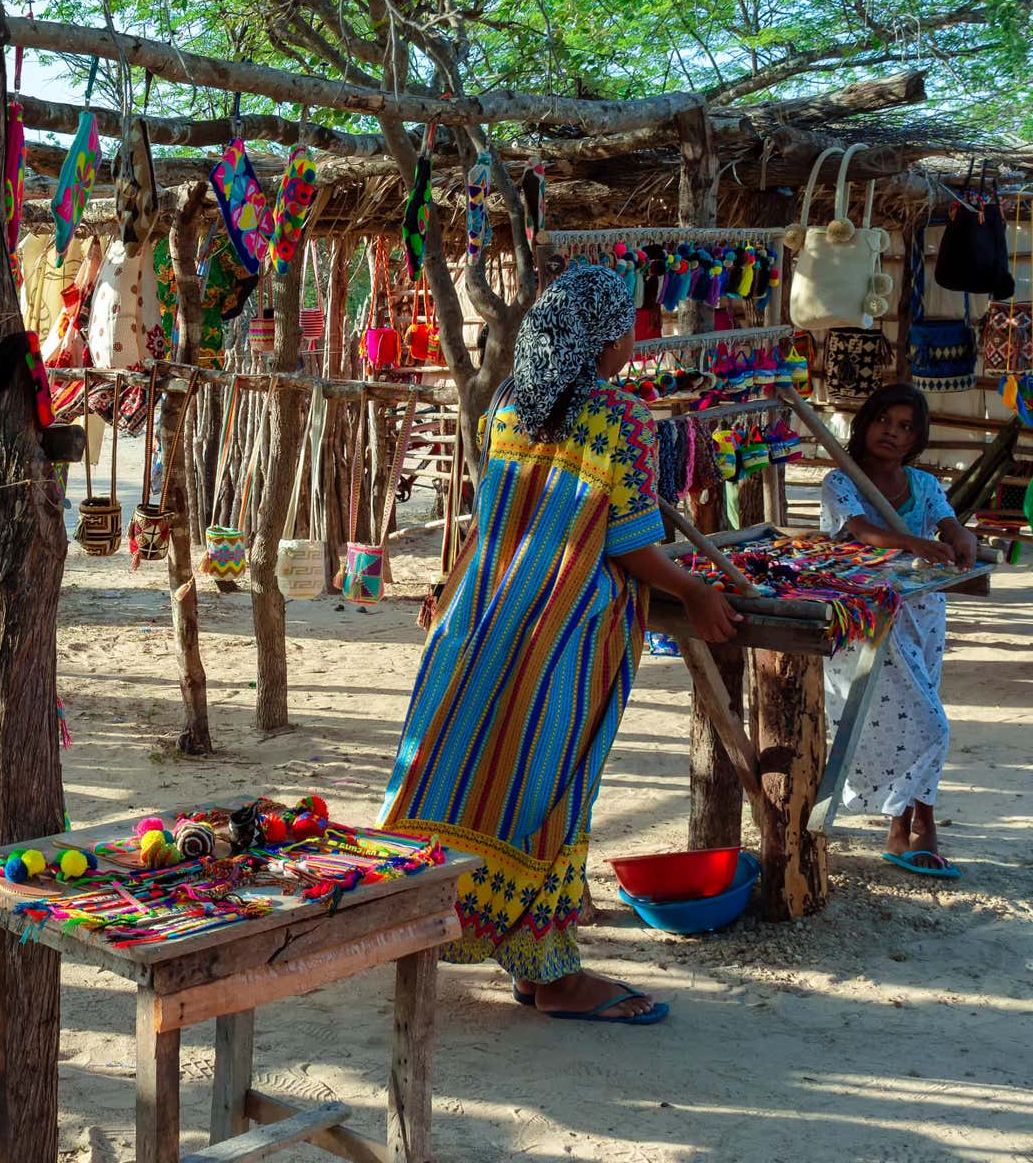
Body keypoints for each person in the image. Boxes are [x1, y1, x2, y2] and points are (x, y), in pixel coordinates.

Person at [379, 265, 739, 1025]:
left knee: (464, 773)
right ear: (606, 336)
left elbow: (496, 514)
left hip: (480, 618)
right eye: (628, 327)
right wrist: (695, 592)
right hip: (563, 634)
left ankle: (446, 926)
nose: (635, 339)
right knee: (552, 791)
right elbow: (631, 542)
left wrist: (449, 585)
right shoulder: (618, 417)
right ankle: (551, 974)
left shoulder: (513, 404)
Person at [822, 383, 978, 880]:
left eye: (906, 426)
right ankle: (923, 822)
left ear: (918, 438)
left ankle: (902, 825)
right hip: (870, 618)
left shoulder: (925, 485)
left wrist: (959, 537)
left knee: (921, 710)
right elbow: (860, 531)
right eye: (885, 421)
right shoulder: (840, 481)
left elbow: (950, 524)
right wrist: (914, 542)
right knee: (926, 723)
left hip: (924, 615)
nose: (892, 433)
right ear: (865, 423)